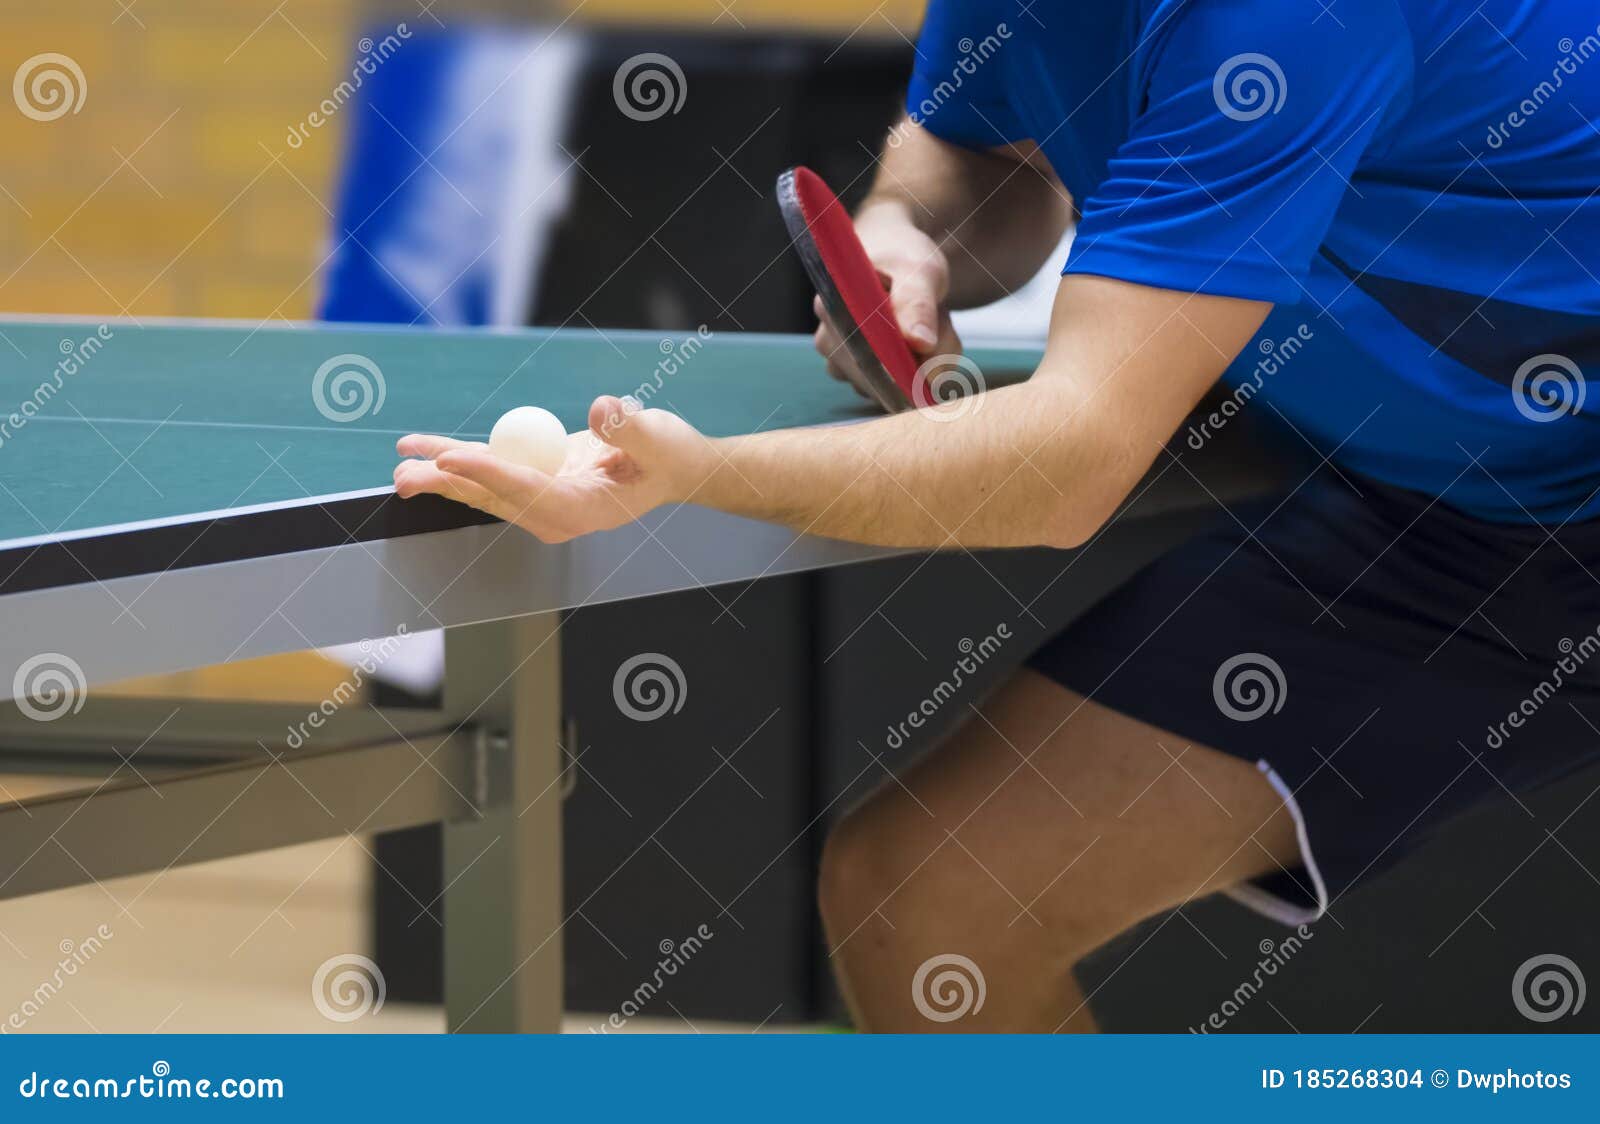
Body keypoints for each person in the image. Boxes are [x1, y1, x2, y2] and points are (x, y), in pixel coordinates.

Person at [394, 0, 1600, 1031]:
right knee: (935, 903)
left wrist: (703, 475)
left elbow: (1073, 457)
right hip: (1447, 515)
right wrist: (904, 233)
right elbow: (986, 149)